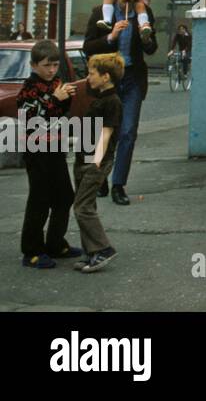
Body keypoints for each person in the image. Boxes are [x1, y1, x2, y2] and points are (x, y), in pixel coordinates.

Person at [83, 0, 157, 206]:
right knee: (105, 131)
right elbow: (88, 47)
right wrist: (111, 36)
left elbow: (151, 48)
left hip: (133, 78)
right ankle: (100, 178)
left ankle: (118, 185)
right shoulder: (100, 14)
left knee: (127, 132)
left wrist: (145, 38)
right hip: (108, 80)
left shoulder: (143, 13)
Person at [17, 40, 81, 269]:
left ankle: (55, 243)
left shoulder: (56, 83)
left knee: (64, 196)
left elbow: (60, 114)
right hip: (36, 151)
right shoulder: (28, 89)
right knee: (39, 201)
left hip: (55, 148)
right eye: (47, 65)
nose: (52, 70)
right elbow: (33, 120)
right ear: (34, 65)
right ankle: (32, 251)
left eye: (55, 65)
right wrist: (55, 100)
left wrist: (66, 99)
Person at [71, 53, 124, 273]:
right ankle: (90, 251)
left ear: (106, 76)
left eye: (92, 74)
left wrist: (97, 161)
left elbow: (107, 131)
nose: (88, 77)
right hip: (83, 158)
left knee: (81, 207)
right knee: (86, 206)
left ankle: (103, 249)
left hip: (95, 161)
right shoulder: (100, 98)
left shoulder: (112, 102)